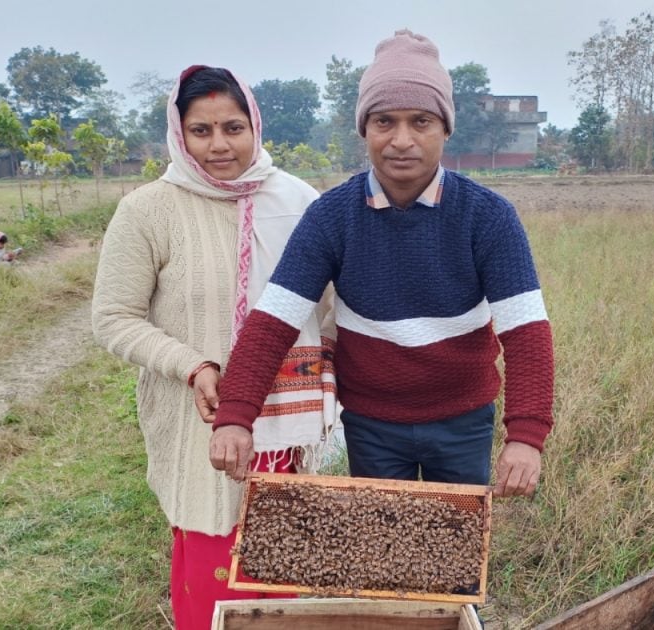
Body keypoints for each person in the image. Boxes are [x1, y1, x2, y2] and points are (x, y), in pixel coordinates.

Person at [210, 29, 555, 498]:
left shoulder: (487, 216)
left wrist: (525, 438)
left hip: (463, 418)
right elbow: (274, 321)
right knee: (380, 549)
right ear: (364, 130)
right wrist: (235, 415)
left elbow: (526, 332)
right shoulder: (331, 217)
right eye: (384, 122)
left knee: (454, 551)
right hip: (371, 421)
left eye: (421, 122)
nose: (401, 140)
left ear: (445, 129)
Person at [91, 65, 334, 630]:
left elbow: (333, 305)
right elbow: (113, 317)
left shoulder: (301, 202)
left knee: (282, 563)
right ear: (179, 134)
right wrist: (192, 364)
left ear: (256, 126)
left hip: (287, 421)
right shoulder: (149, 209)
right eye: (201, 131)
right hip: (198, 416)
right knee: (213, 569)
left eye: (233, 127)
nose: (219, 145)